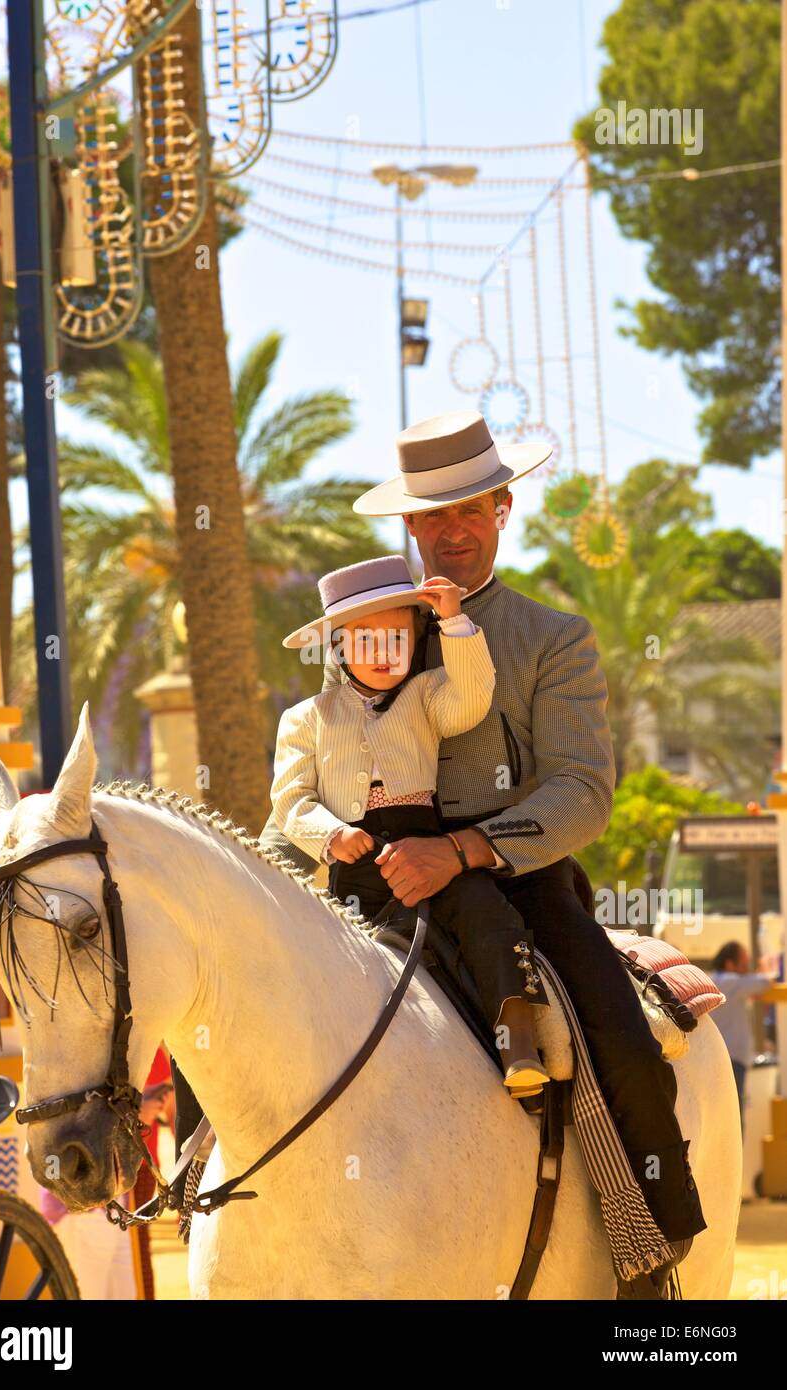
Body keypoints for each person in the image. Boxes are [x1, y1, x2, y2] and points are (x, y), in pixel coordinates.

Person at [255, 409, 706, 1297]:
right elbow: (306, 778)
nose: (452, 530)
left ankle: (646, 1252)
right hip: (363, 887)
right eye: (433, 515)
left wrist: (462, 850)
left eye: (472, 509)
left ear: (505, 508)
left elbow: (582, 792)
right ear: (410, 527)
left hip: (522, 889)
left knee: (615, 1034)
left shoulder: (555, 640)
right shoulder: (361, 630)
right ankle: (199, 1191)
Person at [270, 555, 550, 1096]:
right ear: (338, 648)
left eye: (396, 640)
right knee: (322, 948)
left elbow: (471, 699)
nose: (382, 654)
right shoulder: (305, 718)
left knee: (485, 909)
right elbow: (290, 799)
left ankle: (518, 1039)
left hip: (427, 846)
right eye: (365, 640)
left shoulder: (425, 697)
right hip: (354, 862)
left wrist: (455, 624)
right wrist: (329, 835)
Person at [709, 941, 775, 1122]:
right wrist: (765, 967)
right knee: (735, 1118)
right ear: (730, 964)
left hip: (719, 1057)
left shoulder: (716, 980)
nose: (747, 969)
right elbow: (764, 982)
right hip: (733, 1059)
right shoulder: (730, 981)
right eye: (744, 964)